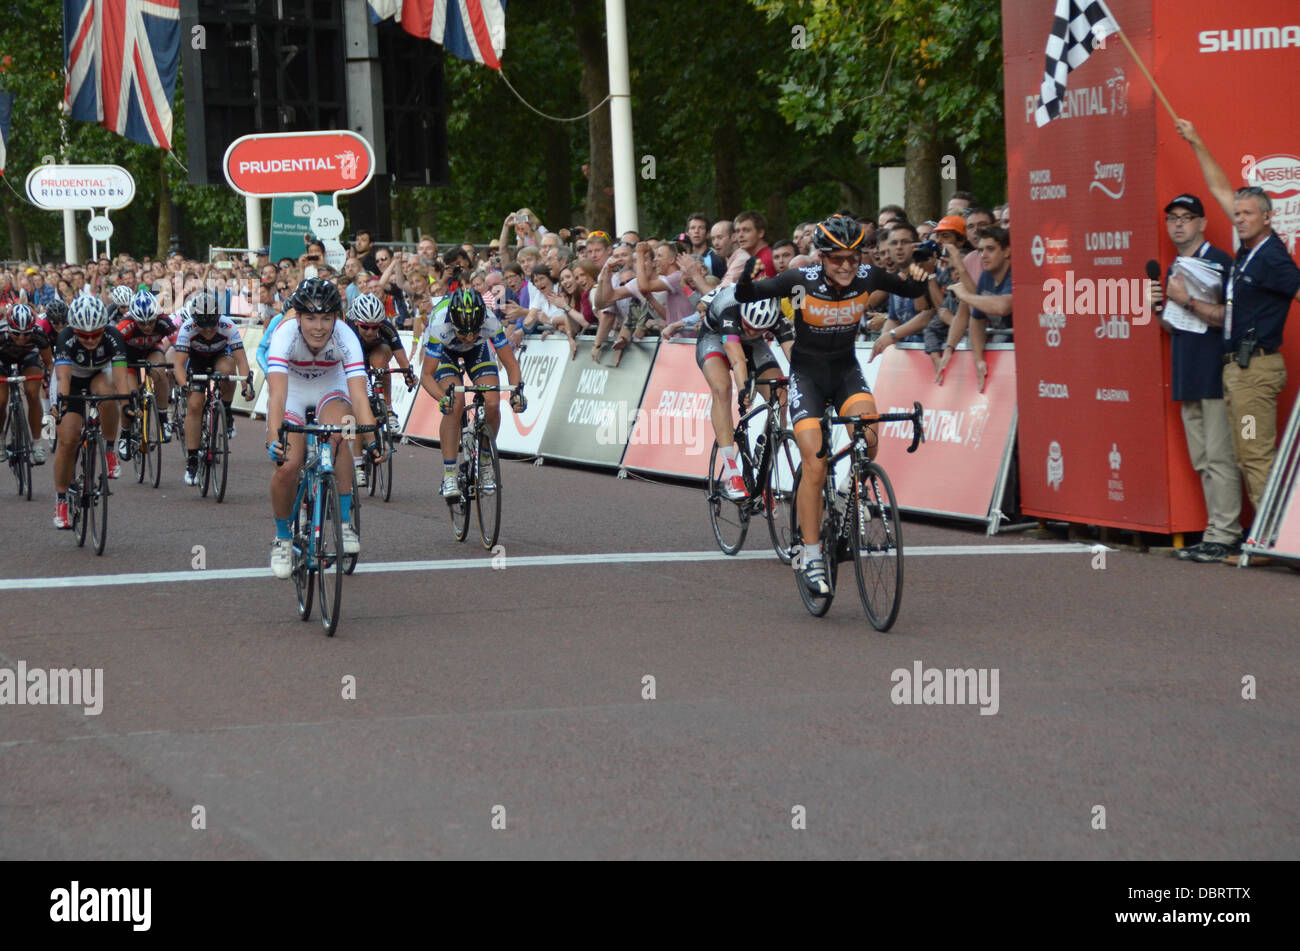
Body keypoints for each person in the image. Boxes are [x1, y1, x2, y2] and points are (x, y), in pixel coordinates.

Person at [734, 214, 927, 594]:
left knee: (869, 435)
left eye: (852, 258)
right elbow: (746, 296)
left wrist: (925, 278)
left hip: (846, 374)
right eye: (836, 258)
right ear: (821, 257)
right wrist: (747, 275)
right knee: (815, 463)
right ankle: (810, 552)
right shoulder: (799, 280)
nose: (845, 266)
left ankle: (843, 497)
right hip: (807, 378)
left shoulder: (868, 277)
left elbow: (915, 295)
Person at [1176, 117, 1300, 514]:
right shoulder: (1249, 249)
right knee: (1246, 454)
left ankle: (1270, 538)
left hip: (1255, 371)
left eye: (1249, 213)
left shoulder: (1274, 258)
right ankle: (1267, 534)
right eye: (1238, 213)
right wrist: (1196, 140)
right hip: (1237, 370)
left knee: (1254, 454)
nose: (1240, 217)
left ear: (1267, 218)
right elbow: (1218, 188)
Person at [265, 278, 383, 579]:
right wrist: (274, 439)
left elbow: (358, 395)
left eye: (326, 318)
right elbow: (276, 395)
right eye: (311, 318)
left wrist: (372, 438)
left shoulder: (345, 336)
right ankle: (282, 538)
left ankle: (344, 524)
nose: (318, 327)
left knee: (340, 431)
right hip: (292, 390)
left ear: (337, 318)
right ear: (298, 317)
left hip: (330, 387)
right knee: (288, 465)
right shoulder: (284, 335)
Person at [1145, 193, 1239, 563]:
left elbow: (1226, 319)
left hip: (1215, 371)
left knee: (1219, 456)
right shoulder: (1174, 267)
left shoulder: (1219, 263)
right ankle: (1215, 530)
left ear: (1202, 223)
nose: (1179, 224)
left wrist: (1183, 300)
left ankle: (1227, 533)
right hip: (1186, 369)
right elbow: (1175, 326)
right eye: (1173, 218)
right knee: (1202, 458)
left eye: (1187, 217)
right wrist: (1159, 308)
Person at [664, 285, 793, 499]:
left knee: (780, 395)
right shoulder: (730, 310)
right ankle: (732, 473)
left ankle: (764, 466)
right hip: (715, 337)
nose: (751, 330)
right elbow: (737, 359)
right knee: (722, 388)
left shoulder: (777, 317)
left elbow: (795, 357)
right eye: (749, 326)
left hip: (754, 345)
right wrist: (744, 392)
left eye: (757, 328)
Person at [420, 288, 527, 501]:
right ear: (453, 323)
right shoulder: (440, 324)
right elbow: (426, 376)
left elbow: (511, 365)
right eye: (463, 332)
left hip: (478, 352)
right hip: (446, 352)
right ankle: (450, 474)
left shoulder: (489, 321)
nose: (469, 337)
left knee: (492, 401)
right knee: (455, 403)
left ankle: (485, 460)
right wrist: (442, 399)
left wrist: (517, 392)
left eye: (474, 332)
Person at [50, 297, 132, 528]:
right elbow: (63, 378)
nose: (91, 340)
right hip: (71, 380)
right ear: (74, 330)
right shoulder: (65, 336)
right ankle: (61, 499)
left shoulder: (114, 336)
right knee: (68, 440)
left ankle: (108, 449)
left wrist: (126, 405)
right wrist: (62, 405)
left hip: (98, 374)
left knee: (107, 392)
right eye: (84, 336)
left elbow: (120, 377)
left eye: (96, 334)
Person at [171, 291, 254, 486]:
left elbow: (242, 360)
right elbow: (179, 366)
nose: (208, 329)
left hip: (220, 356)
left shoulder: (228, 325)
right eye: (203, 324)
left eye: (212, 323)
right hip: (196, 360)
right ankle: (192, 460)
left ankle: (226, 409)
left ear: (218, 319)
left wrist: (246, 385)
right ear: (195, 320)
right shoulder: (187, 328)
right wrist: (185, 386)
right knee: (194, 404)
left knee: (227, 370)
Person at [115, 290, 178, 446]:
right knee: (130, 394)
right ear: (135, 319)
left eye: (151, 321)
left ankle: (163, 420)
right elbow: (114, 353)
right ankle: (125, 434)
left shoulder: (164, 321)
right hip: (129, 357)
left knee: (160, 371)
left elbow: (181, 347)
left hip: (151, 351)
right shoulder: (125, 325)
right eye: (142, 323)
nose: (148, 326)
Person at [0, 303, 55, 465]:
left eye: (26, 334)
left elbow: (48, 363)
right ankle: (1, 440)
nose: (22, 339)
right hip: (2, 361)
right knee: (1, 400)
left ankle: (37, 443)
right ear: (9, 328)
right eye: (16, 334)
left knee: (32, 394)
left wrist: (50, 381)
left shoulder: (39, 334)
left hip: (28, 358)